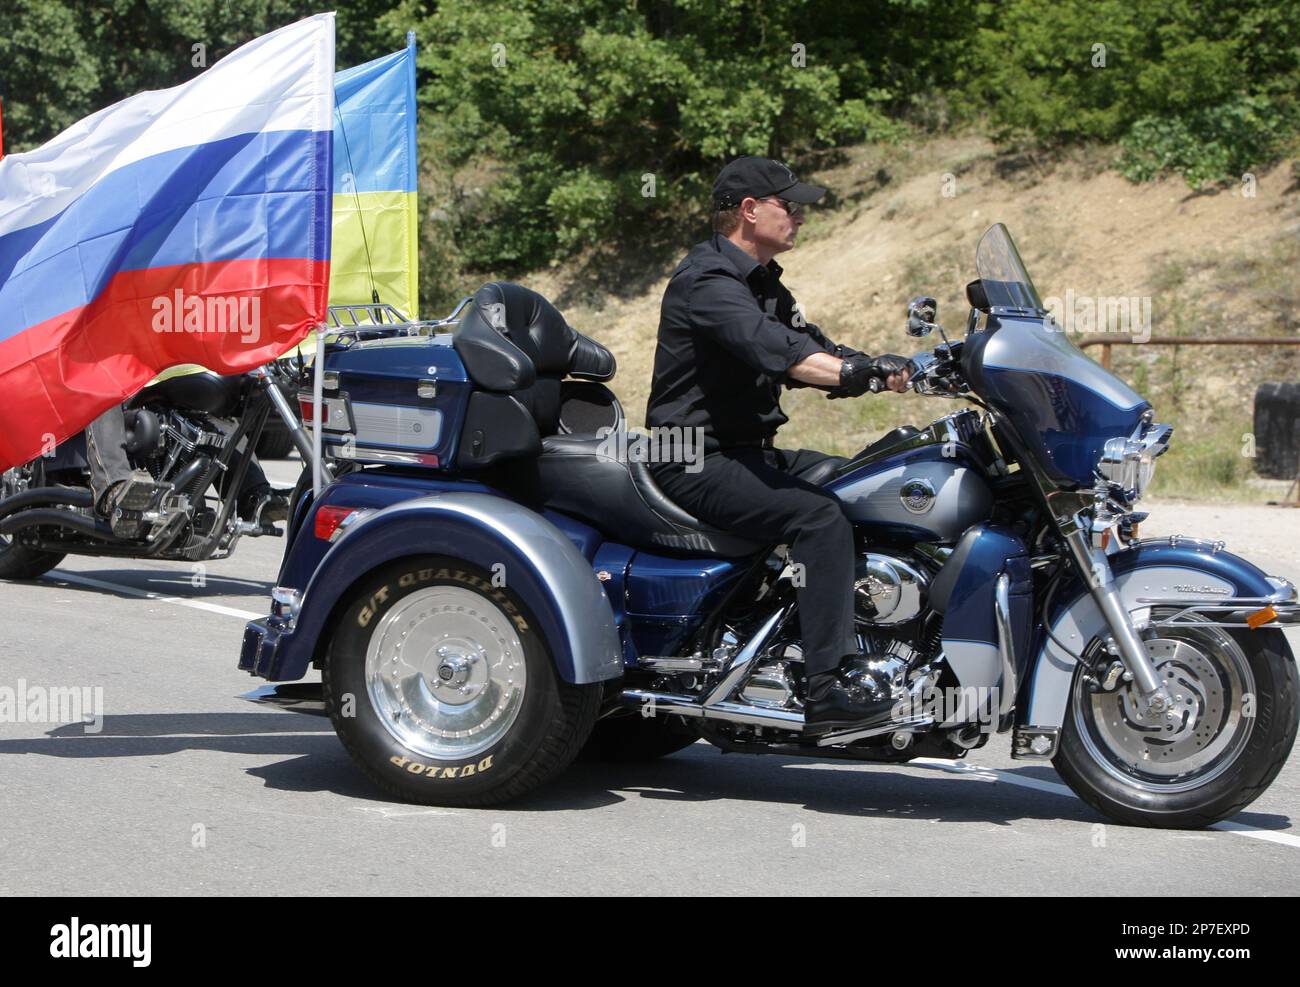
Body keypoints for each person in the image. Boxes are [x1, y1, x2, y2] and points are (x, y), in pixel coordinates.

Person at [645, 156, 911, 737]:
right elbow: (775, 349)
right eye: (789, 206)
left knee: (865, 481)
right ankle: (826, 687)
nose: (799, 217)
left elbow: (809, 344)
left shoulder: (765, 282)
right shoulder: (708, 282)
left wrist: (887, 366)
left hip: (746, 452)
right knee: (818, 517)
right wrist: (851, 372)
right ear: (749, 210)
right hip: (692, 454)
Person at [86, 403, 287, 538]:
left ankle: (252, 497)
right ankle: (114, 490)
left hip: (157, 366)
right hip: (101, 361)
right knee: (104, 391)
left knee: (212, 404)